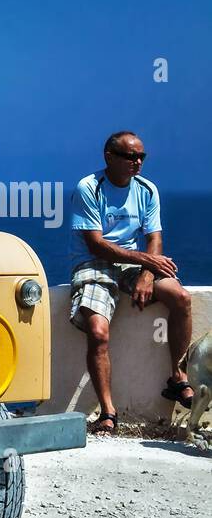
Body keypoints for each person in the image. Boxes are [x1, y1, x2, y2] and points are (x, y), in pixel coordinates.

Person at [68, 130, 195, 434]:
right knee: (98, 332)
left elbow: (155, 238)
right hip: (93, 264)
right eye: (130, 156)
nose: (137, 162)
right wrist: (147, 262)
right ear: (109, 156)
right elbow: (96, 245)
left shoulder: (147, 190)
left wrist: (148, 275)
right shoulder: (89, 188)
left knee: (180, 298)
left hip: (133, 264)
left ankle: (177, 376)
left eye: (141, 156)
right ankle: (108, 412)